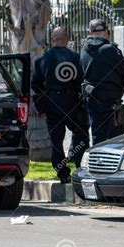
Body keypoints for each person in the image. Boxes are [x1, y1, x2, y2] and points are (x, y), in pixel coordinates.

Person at [32, 27, 89, 183]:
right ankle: (81, 168)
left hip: (51, 104)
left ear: (52, 39)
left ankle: (62, 174)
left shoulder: (43, 59)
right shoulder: (76, 58)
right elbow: (82, 82)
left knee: (56, 139)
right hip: (72, 104)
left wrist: (45, 96)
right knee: (80, 134)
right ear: (68, 38)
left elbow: (35, 84)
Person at [80, 19, 124, 144]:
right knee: (116, 139)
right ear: (107, 31)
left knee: (98, 137)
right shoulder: (110, 49)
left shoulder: (84, 50)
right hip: (111, 99)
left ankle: (98, 162)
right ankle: (113, 163)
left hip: (92, 99)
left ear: (90, 33)